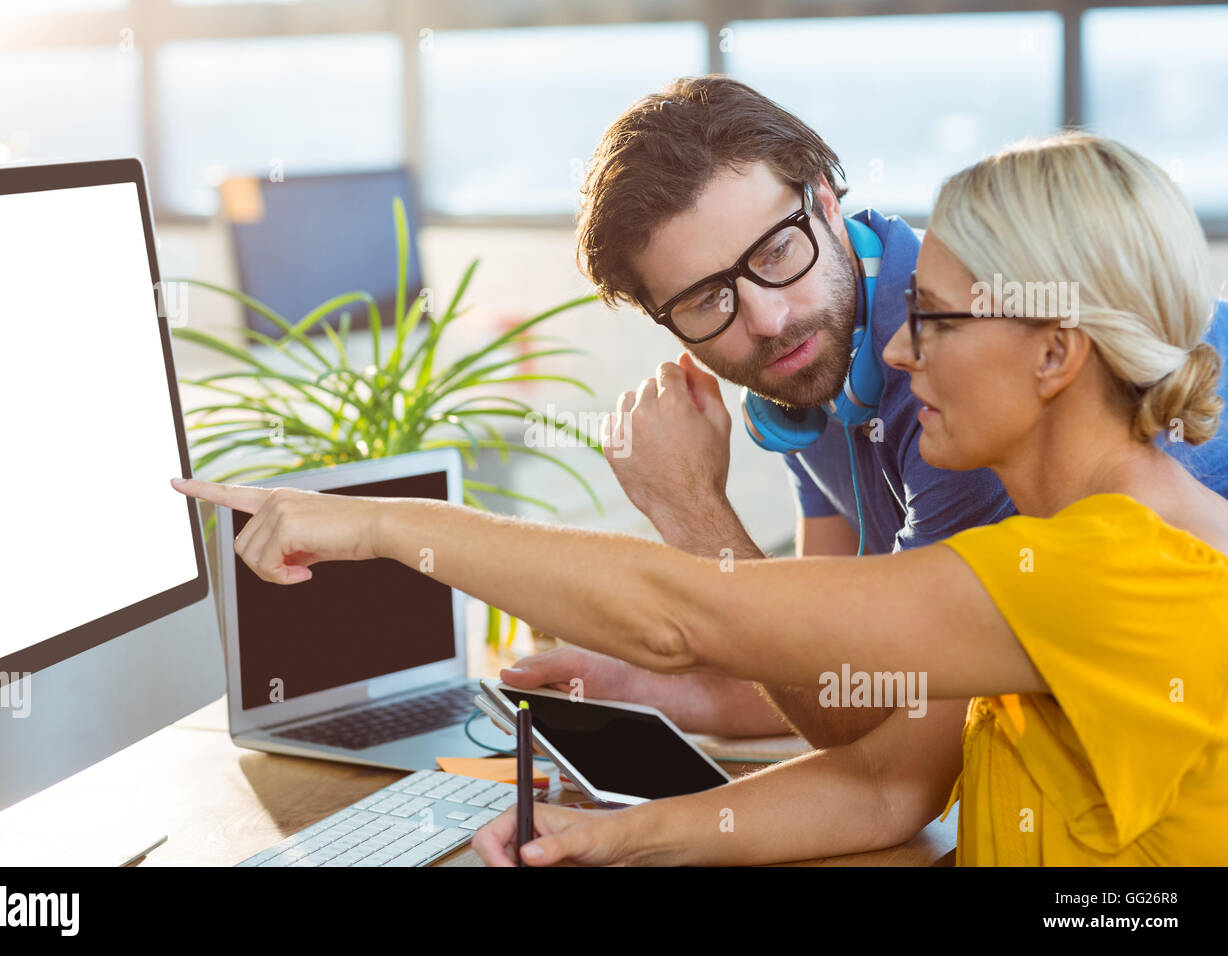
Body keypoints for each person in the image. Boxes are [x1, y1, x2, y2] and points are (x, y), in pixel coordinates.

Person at [173, 132, 1228, 865]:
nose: (900, 350)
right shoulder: (1052, 544)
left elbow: (687, 614)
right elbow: (885, 783)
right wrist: (615, 836)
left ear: (1054, 350)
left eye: (937, 319)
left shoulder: (1105, 567)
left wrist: (380, 524)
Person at [500, 75, 1228, 751]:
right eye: (705, 299)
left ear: (824, 196)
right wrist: (647, 689)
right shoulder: (807, 364)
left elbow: (872, 717)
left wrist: (689, 507)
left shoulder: (967, 379)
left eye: (777, 249)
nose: (766, 317)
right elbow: (826, 666)